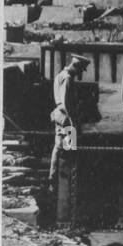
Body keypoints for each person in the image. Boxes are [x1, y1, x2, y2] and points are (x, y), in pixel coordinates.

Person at [49, 55, 90, 184]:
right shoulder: (68, 79)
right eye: (80, 70)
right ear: (76, 67)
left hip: (59, 116)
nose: (79, 74)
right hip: (66, 118)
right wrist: (73, 124)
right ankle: (64, 180)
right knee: (68, 150)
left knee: (59, 147)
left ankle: (54, 177)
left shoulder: (60, 75)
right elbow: (67, 104)